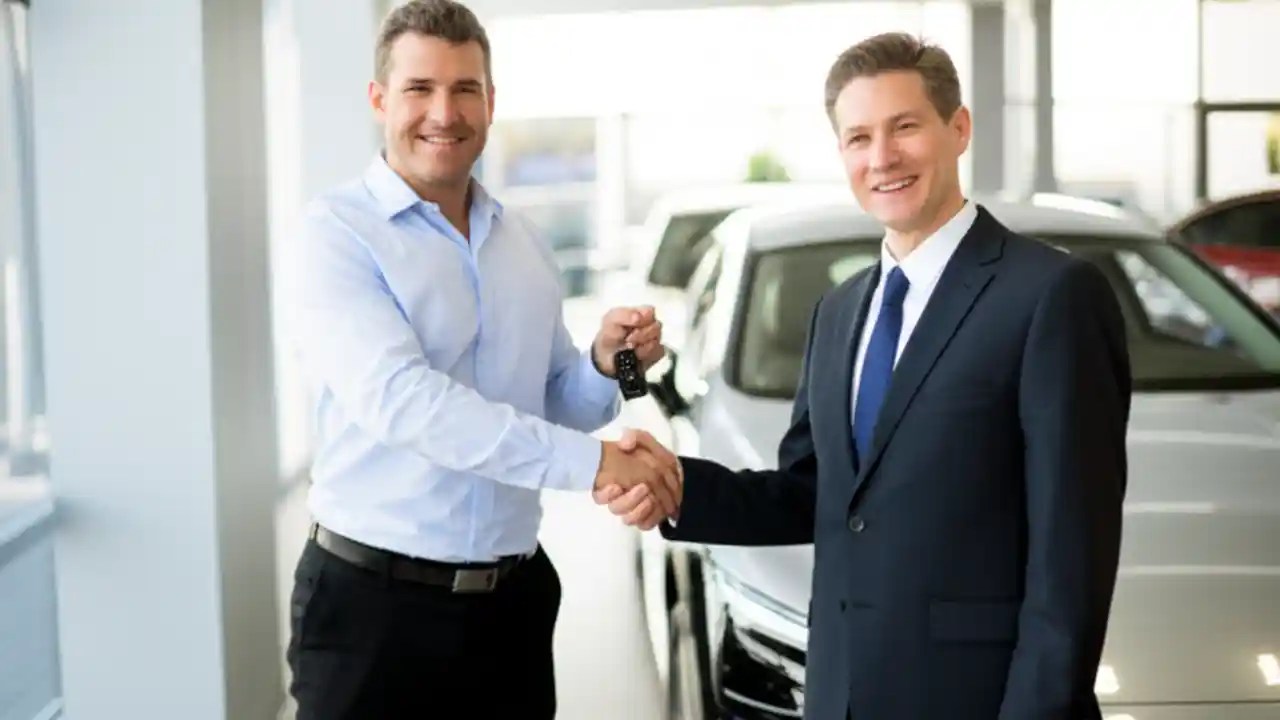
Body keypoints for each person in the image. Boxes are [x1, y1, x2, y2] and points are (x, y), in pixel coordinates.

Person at [600, 32, 1132, 719]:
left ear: (958, 128)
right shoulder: (840, 312)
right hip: (843, 694)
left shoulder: (1051, 295)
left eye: (904, 127)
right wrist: (677, 487)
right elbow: (816, 493)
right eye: (858, 138)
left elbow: (1072, 560)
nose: (881, 157)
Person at [278, 2, 679, 718]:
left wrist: (604, 361)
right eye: (419, 89)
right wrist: (597, 467)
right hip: (375, 612)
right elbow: (405, 403)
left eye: (466, 88)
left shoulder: (521, 239)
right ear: (379, 100)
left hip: (511, 609)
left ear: (491, 102)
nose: (444, 111)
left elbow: (558, 399)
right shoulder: (336, 235)